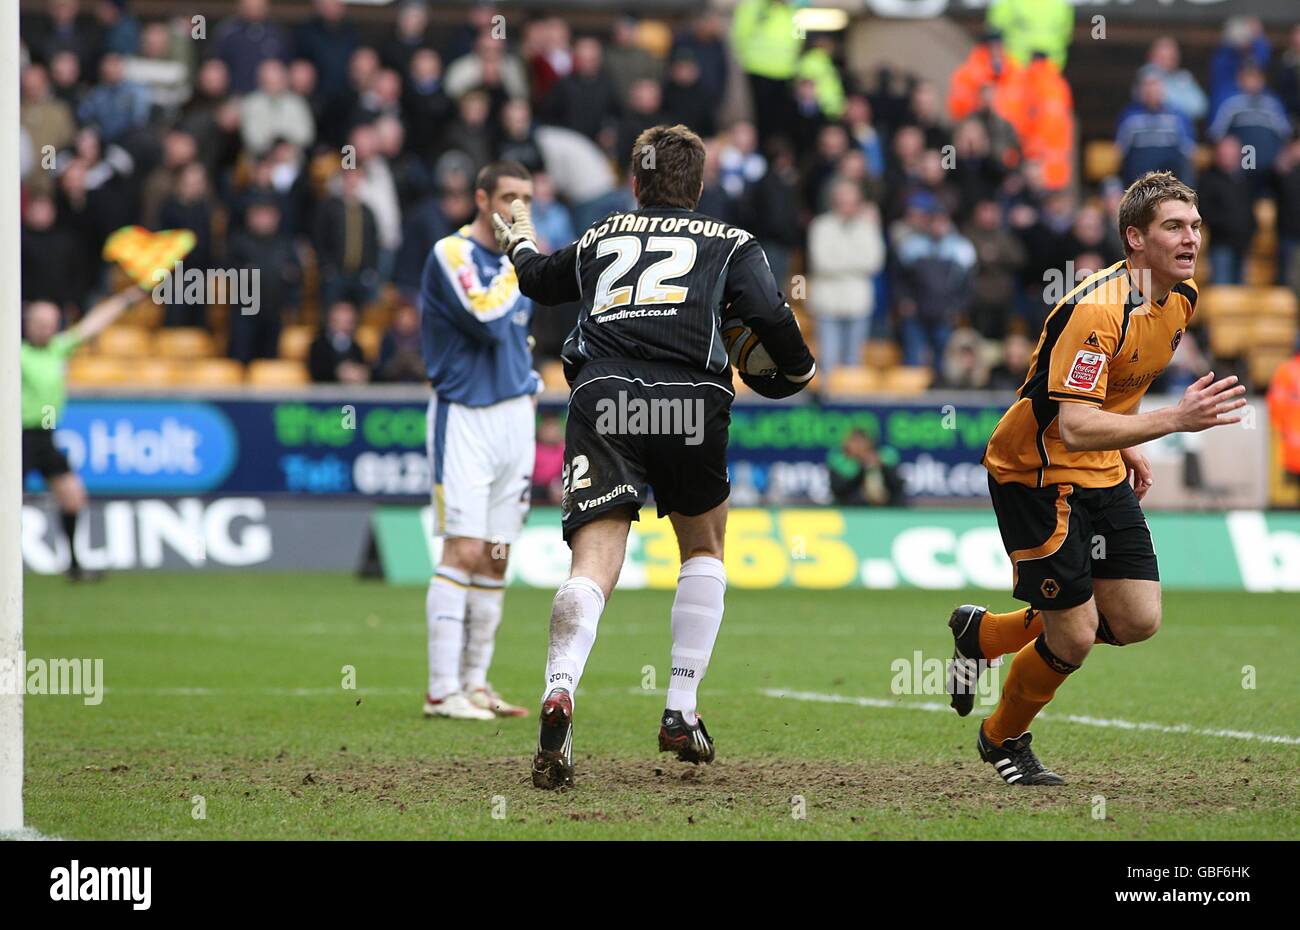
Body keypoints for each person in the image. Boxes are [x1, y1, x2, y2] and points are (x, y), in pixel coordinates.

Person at [492, 123, 816, 789]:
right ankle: (680, 708)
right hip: (691, 399)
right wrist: (797, 370)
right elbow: (769, 312)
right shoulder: (732, 242)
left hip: (605, 395)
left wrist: (519, 239)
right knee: (703, 546)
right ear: (698, 187)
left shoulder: (603, 234)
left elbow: (537, 280)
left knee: (593, 560)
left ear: (635, 183)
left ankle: (560, 689)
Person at [943, 171, 1247, 786]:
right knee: (1076, 636)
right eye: (1173, 227)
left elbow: (1117, 389)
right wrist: (1173, 421)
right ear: (1134, 238)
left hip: (1099, 469)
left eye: (1194, 225)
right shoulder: (1096, 309)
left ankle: (984, 635)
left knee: (1135, 619)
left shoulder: (1180, 299)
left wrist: (1130, 440)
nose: (1191, 238)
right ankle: (1002, 737)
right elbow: (1076, 426)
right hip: (1035, 473)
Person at [417, 161, 540, 721]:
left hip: (515, 414)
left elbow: (519, 334)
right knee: (462, 548)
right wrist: (522, 259)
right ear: (481, 197)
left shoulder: (519, 259)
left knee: (495, 555)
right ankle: (442, 689)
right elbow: (488, 319)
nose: (518, 208)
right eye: (509, 197)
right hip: (464, 415)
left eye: (527, 198)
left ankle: (476, 683)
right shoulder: (452, 253)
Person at [21, 285, 144, 581]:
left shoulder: (57, 349)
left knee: (73, 497)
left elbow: (92, 325)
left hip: (46, 432)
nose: (46, 329)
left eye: (51, 324)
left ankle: (74, 564)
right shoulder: (16, 354)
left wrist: (125, 300)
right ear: (27, 323)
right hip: (18, 437)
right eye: (41, 324)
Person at [828, 429, 905, 507]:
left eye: (861, 442)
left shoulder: (883, 458)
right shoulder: (839, 461)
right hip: (851, 510)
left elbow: (897, 487)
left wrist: (882, 467)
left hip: (885, 510)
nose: (858, 446)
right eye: (854, 442)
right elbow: (839, 490)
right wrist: (862, 468)